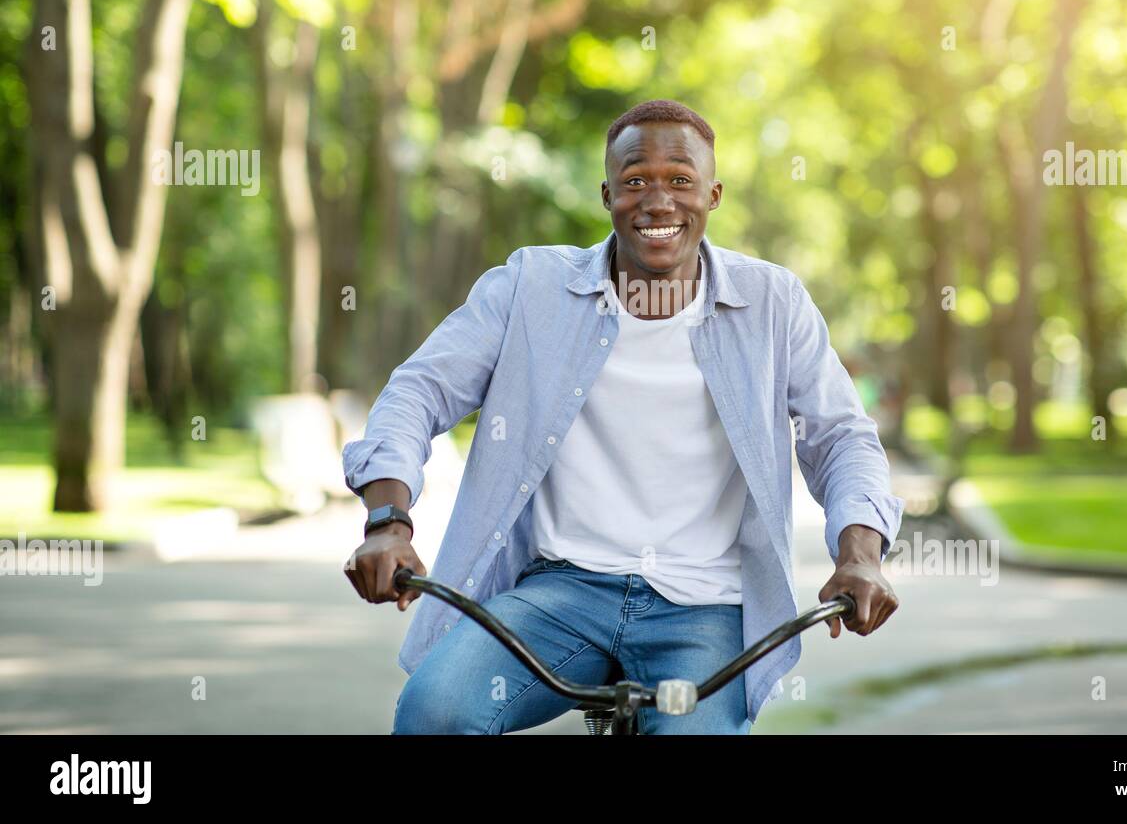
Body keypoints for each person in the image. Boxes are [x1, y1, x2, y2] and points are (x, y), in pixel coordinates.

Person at [343, 99, 903, 734]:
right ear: (606, 194)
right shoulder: (530, 287)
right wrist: (388, 520)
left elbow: (839, 436)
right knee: (435, 713)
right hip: (559, 594)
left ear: (713, 195)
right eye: (635, 181)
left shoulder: (773, 304)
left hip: (705, 612)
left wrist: (860, 552)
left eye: (680, 181)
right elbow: (418, 391)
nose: (657, 201)